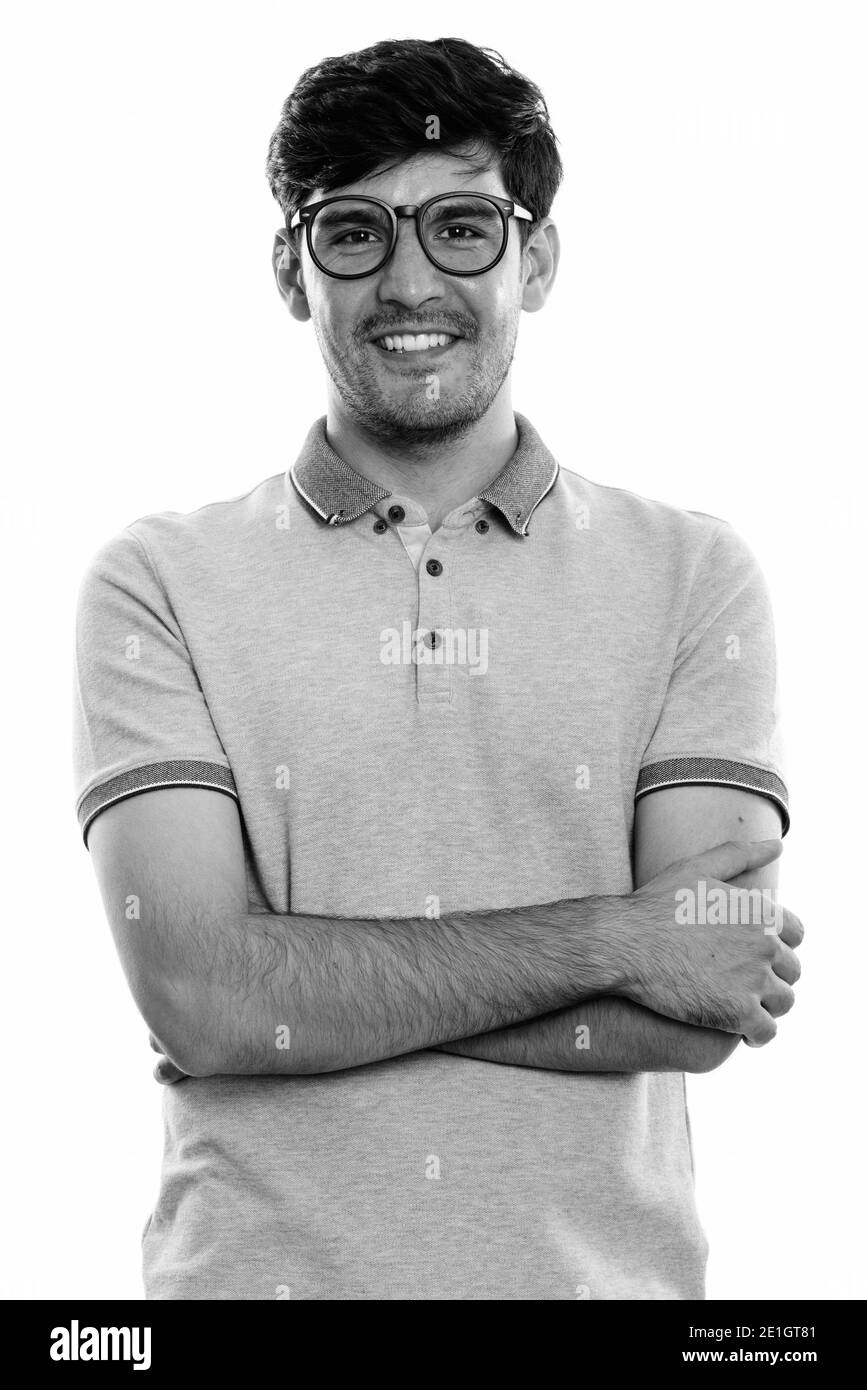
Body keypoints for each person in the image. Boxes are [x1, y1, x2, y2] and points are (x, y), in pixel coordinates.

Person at [72, 36, 803, 1301]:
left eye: (463, 225)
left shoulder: (694, 574)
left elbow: (704, 994)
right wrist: (619, 935)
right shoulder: (155, 582)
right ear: (294, 274)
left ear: (539, 258)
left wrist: (297, 988)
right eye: (354, 232)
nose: (410, 282)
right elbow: (199, 996)